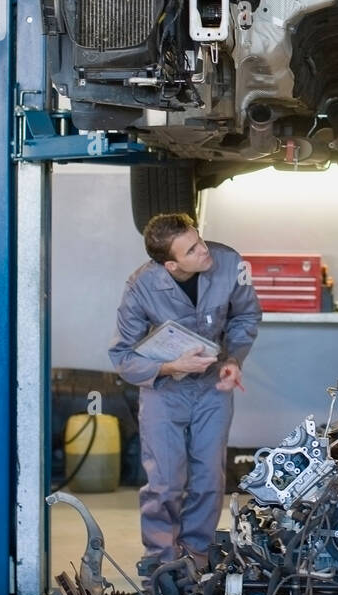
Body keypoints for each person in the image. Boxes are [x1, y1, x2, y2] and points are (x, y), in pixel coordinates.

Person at [109, 214, 262, 576]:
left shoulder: (228, 263)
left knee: (209, 479)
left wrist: (233, 360)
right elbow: (122, 356)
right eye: (192, 249)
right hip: (165, 391)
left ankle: (196, 557)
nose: (203, 249)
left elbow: (246, 316)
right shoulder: (141, 286)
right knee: (164, 483)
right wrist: (169, 367)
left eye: (200, 239)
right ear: (171, 264)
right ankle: (161, 565)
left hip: (213, 387)